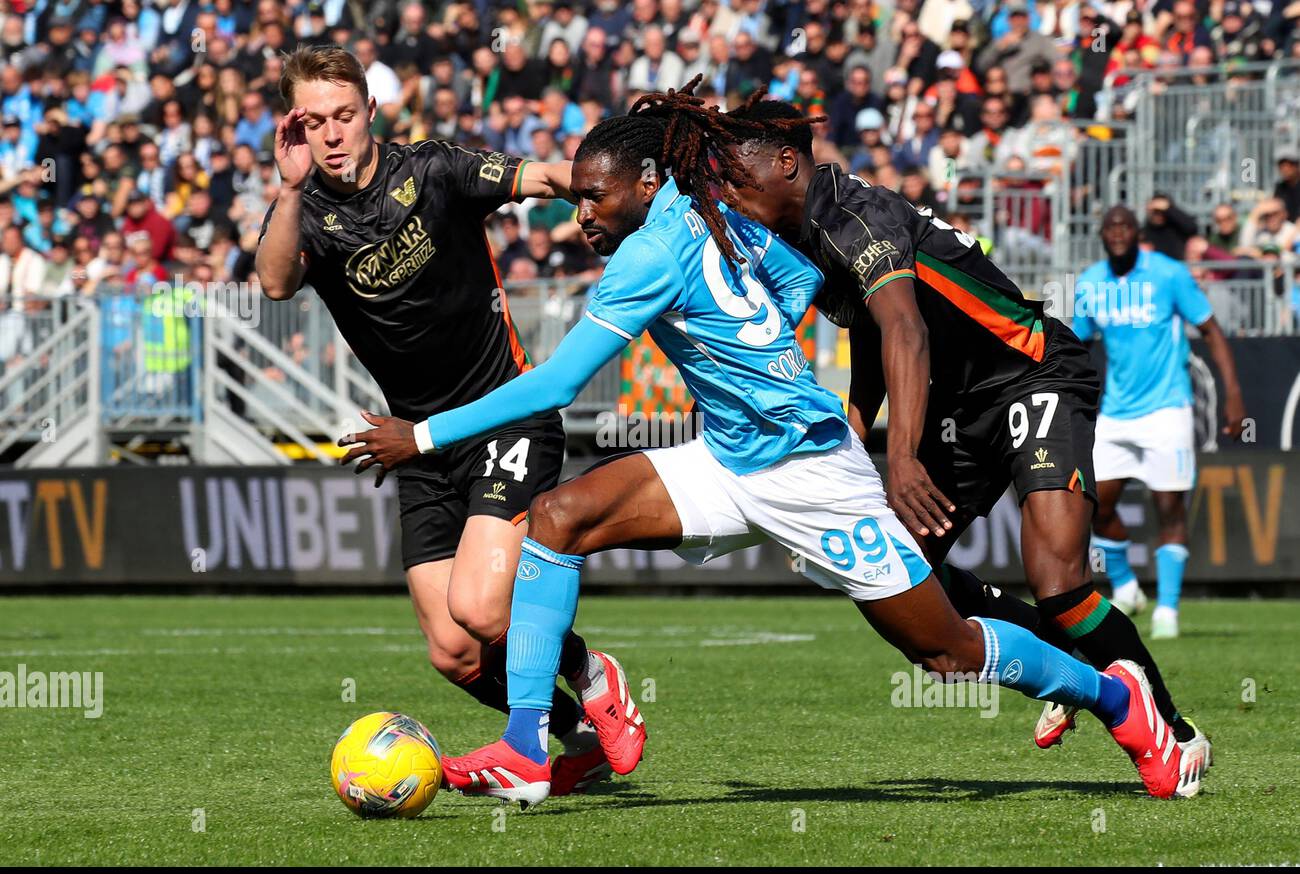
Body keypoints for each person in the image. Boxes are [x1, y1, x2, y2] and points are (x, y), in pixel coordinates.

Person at [344, 82, 1191, 808]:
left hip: (812, 472)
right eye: (576, 201)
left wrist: (417, 435)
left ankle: (1116, 699)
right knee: (557, 517)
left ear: (645, 182)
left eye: (594, 199)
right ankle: (530, 750)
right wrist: (760, 336)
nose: (582, 216)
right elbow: (801, 278)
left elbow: (556, 386)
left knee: (945, 650)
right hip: (728, 458)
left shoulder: (649, 254)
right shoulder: (704, 209)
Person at [711, 94, 1210, 796]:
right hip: (956, 406)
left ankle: (1172, 729)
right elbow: (874, 338)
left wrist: (902, 455)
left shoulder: (857, 214)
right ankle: (1075, 675)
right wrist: (851, 434)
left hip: (1031, 370)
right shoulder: (802, 238)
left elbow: (907, 332)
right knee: (901, 581)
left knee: (1059, 580)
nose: (727, 191)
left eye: (735, 175)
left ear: (785, 161)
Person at [254, 45, 636, 798]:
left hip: (504, 416)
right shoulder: (307, 212)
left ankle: (592, 672)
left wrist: (603, 195)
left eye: (343, 115)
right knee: (454, 653)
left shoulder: (431, 170)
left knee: (480, 608)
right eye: (312, 122)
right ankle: (577, 735)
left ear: (370, 112)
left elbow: (542, 176)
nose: (330, 134)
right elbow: (272, 282)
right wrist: (289, 190)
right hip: (415, 444)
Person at [1074, 206, 1247, 641]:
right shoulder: (1090, 283)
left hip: (1168, 408)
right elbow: (1077, 347)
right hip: (1115, 412)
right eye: (1109, 226)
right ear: (1101, 233)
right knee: (1094, 504)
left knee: (1168, 507)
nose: (1117, 233)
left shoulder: (1168, 274)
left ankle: (1167, 609)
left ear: (1137, 233)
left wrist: (1234, 394)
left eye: (1125, 226)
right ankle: (1127, 586)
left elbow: (1212, 331)